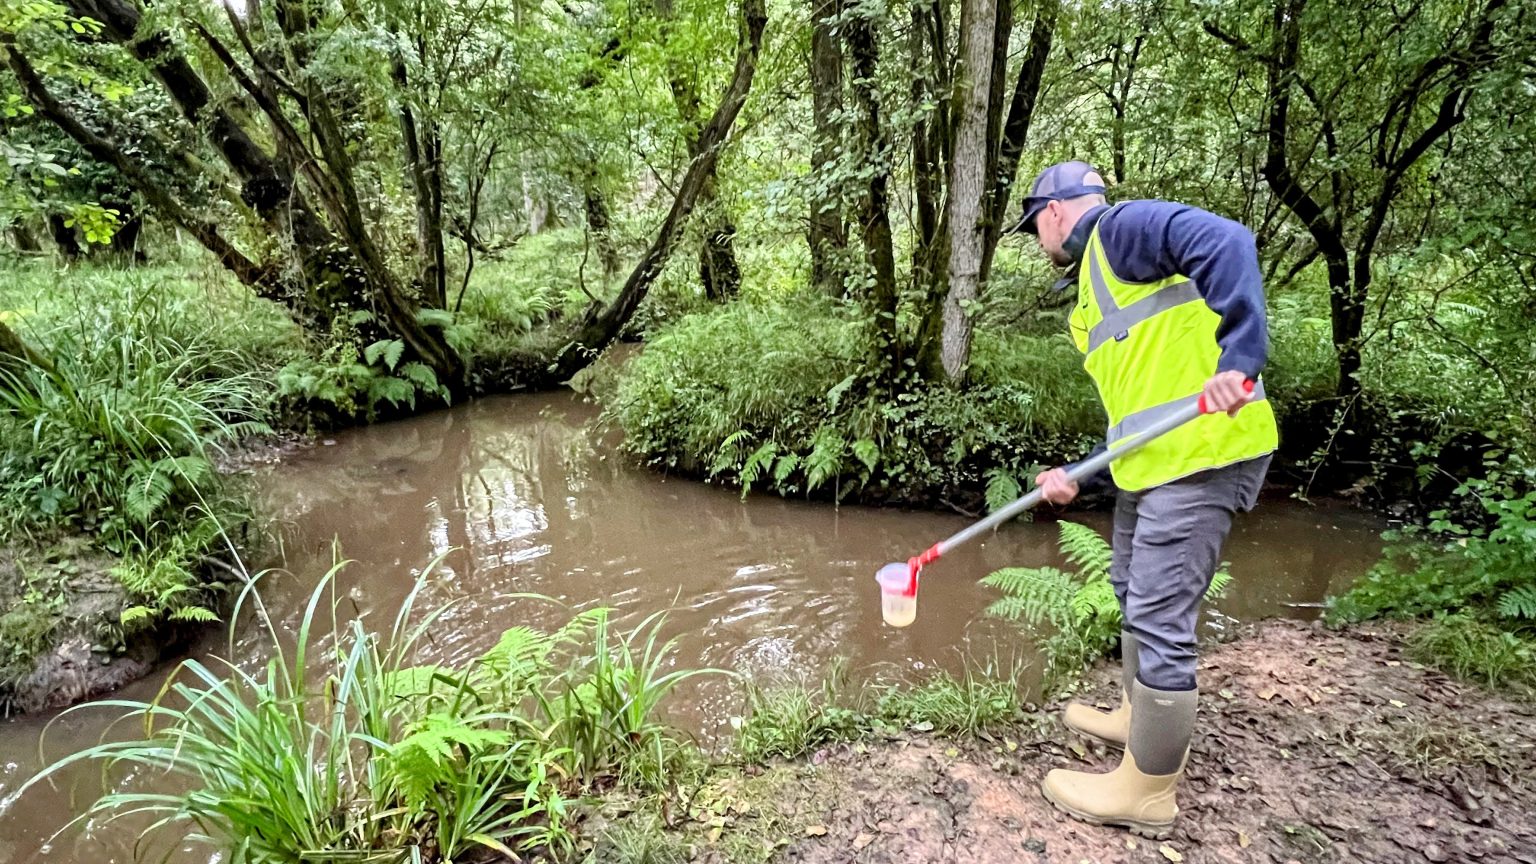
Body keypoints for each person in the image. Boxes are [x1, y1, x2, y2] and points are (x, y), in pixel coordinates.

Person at [1014, 161, 1278, 838]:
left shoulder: (1122, 229)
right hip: (1154, 464)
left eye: (1033, 229)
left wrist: (1239, 360)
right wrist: (1080, 475)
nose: (1037, 244)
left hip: (1204, 456)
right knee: (1133, 587)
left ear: (1053, 213)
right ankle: (1139, 719)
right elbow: (1137, 413)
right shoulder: (1094, 294)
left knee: (1160, 615)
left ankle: (1148, 792)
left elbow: (1232, 242)